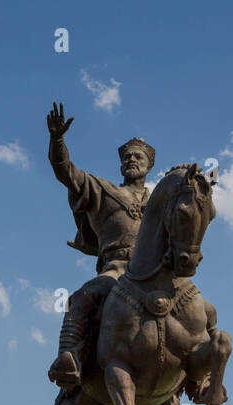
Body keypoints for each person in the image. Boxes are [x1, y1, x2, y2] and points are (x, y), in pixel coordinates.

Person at [44, 102, 156, 387]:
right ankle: (68, 359)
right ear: (121, 164)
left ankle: (202, 376)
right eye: (128, 157)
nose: (132, 160)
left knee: (203, 312)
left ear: (149, 165)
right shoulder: (103, 191)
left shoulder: (158, 204)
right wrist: (57, 139)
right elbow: (65, 171)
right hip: (117, 270)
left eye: (138, 157)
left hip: (155, 274)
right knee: (81, 298)